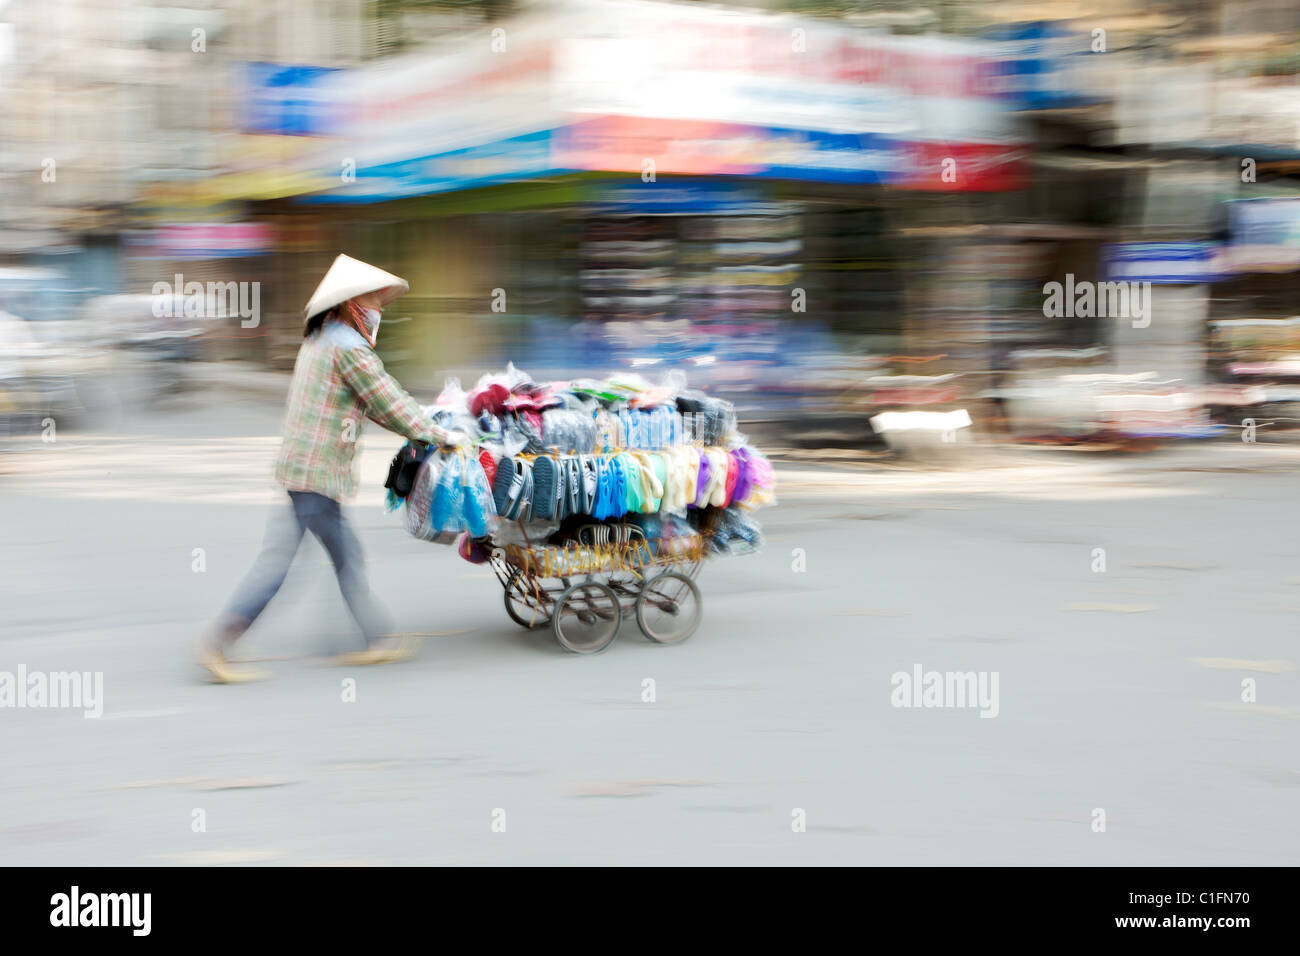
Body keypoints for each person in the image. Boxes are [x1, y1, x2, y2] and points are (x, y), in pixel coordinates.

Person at [197, 254, 466, 683]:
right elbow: (386, 398)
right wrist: (437, 434)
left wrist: (421, 430)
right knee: (290, 564)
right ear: (349, 303)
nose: (378, 308)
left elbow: (369, 404)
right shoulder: (348, 346)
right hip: (316, 475)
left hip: (303, 470)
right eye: (373, 300)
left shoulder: (321, 339)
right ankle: (219, 642)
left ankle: (372, 639)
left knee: (341, 557)